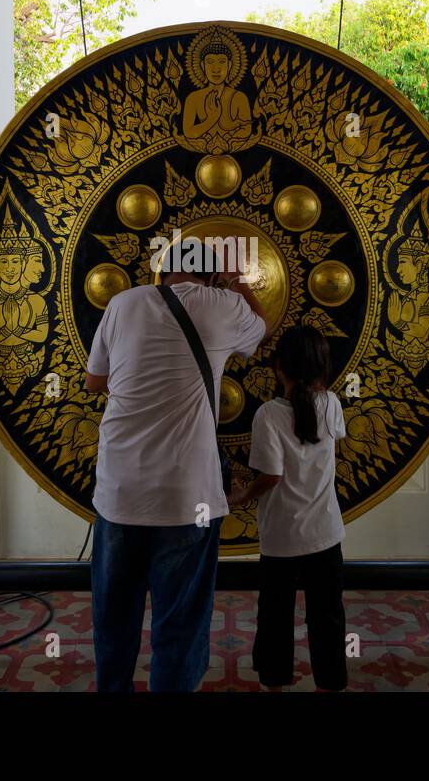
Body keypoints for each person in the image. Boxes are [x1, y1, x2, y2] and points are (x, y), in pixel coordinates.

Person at [84, 239, 268, 692]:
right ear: (210, 277)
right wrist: (238, 284)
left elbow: (94, 382)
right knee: (180, 619)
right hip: (189, 495)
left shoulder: (124, 302)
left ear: (163, 273)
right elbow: (261, 328)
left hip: (120, 487)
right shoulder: (222, 304)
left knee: (114, 613)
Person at [228, 325, 348, 691]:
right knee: (327, 614)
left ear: (279, 367)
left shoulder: (268, 415)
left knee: (276, 614)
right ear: (322, 366)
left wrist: (242, 495)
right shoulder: (332, 404)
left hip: (282, 537)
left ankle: (275, 679)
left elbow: (271, 476)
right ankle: (331, 680)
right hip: (325, 533)